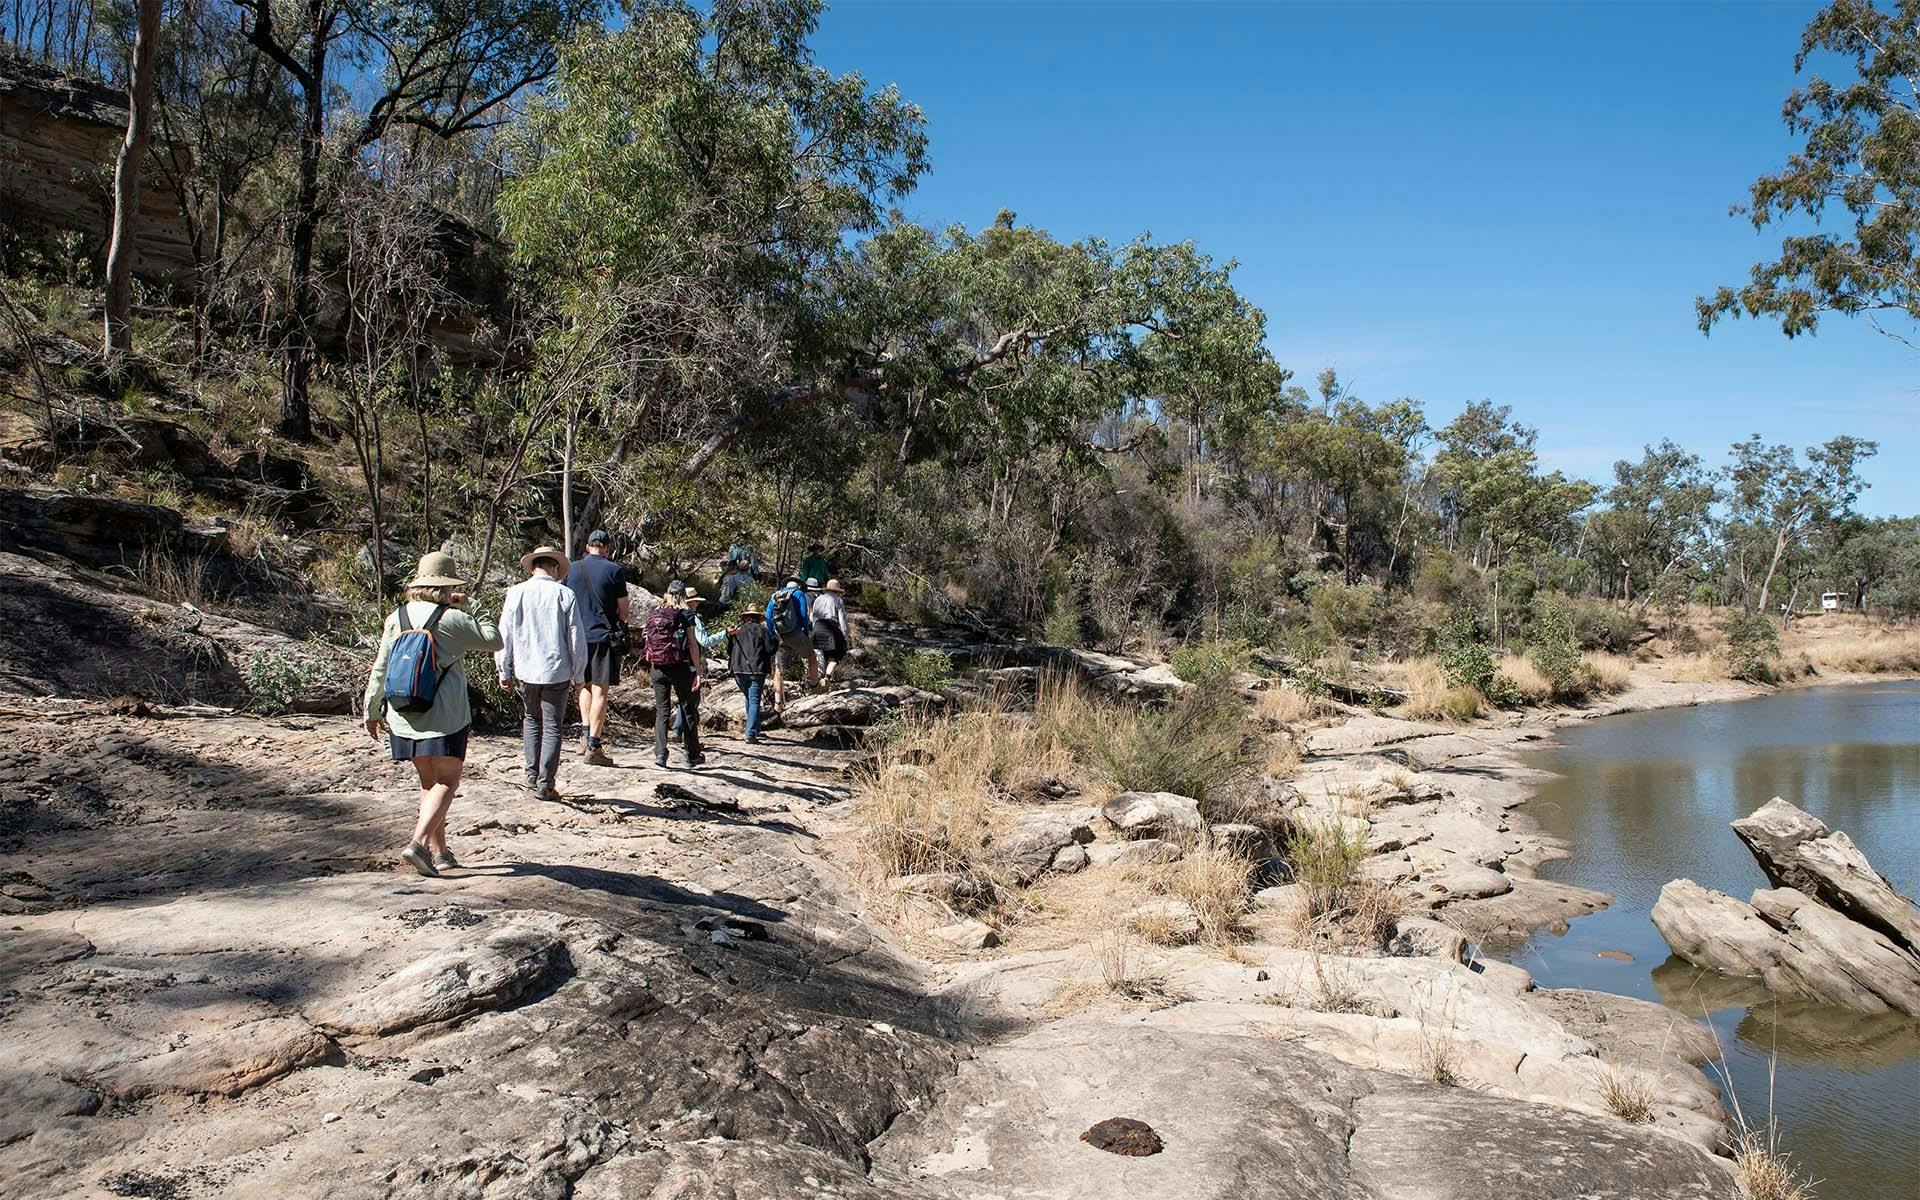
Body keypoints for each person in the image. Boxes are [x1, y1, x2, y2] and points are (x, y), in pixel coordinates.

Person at [362, 551, 502, 878]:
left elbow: (381, 666)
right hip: (445, 715)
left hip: (403, 713)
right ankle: (418, 843)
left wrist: (372, 709)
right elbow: (494, 641)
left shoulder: (396, 616)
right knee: (448, 781)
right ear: (447, 586)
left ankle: (441, 855)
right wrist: (473, 605)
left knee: (429, 783)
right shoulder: (451, 618)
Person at [495, 546, 587, 801]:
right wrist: (579, 676)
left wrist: (504, 669)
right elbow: (576, 639)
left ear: (534, 566)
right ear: (555, 567)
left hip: (526, 669)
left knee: (531, 718)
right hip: (556, 670)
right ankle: (546, 782)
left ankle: (530, 773)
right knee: (552, 725)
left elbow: (505, 634)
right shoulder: (564, 594)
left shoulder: (516, 593)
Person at [567, 529, 631, 766]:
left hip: (577, 638)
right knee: (600, 690)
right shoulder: (614, 570)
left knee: (583, 686)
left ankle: (584, 736)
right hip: (603, 638)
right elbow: (624, 612)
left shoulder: (571, 569)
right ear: (607, 547)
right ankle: (594, 744)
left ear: (587, 547)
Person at [642, 589, 705, 768]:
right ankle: (691, 755)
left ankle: (660, 754)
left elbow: (647, 641)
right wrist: (698, 671)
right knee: (687, 709)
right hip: (680, 667)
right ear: (684, 596)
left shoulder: (654, 614)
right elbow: (692, 644)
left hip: (658, 668)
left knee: (662, 711)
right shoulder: (686, 615)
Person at [670, 590, 727, 736]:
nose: (697, 604)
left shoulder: (672, 614)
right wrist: (725, 633)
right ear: (690, 602)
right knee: (692, 701)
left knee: (681, 697)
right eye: (695, 601)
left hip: (673, 662)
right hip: (690, 663)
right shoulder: (692, 618)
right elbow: (704, 641)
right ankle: (688, 738)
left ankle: (677, 730)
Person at [764, 575, 817, 708]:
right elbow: (803, 614)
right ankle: (814, 687)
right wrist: (804, 631)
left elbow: (768, 617)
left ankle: (778, 702)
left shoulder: (774, 596)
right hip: (796, 633)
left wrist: (772, 635)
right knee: (811, 656)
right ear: (798, 585)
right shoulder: (798, 594)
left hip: (781, 635)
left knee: (778, 669)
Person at [727, 608, 775, 743]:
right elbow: (770, 649)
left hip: (738, 669)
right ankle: (750, 733)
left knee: (749, 698)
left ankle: (756, 728)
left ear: (745, 617)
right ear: (759, 618)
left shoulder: (736, 630)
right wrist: (776, 640)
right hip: (756, 670)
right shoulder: (762, 630)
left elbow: (729, 650)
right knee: (754, 701)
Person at [809, 577, 854, 685]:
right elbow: (842, 620)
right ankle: (827, 677)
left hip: (817, 627)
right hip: (831, 627)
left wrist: (814, 631)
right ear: (837, 591)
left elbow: (813, 617)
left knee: (821, 653)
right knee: (837, 653)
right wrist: (845, 637)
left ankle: (818, 680)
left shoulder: (817, 600)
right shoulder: (838, 600)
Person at [719, 534, 758, 602]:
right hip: (746, 574)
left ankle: (723, 602)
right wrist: (756, 576)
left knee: (728, 591)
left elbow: (730, 563)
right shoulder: (748, 548)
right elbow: (754, 565)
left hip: (736, 572)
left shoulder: (733, 547)